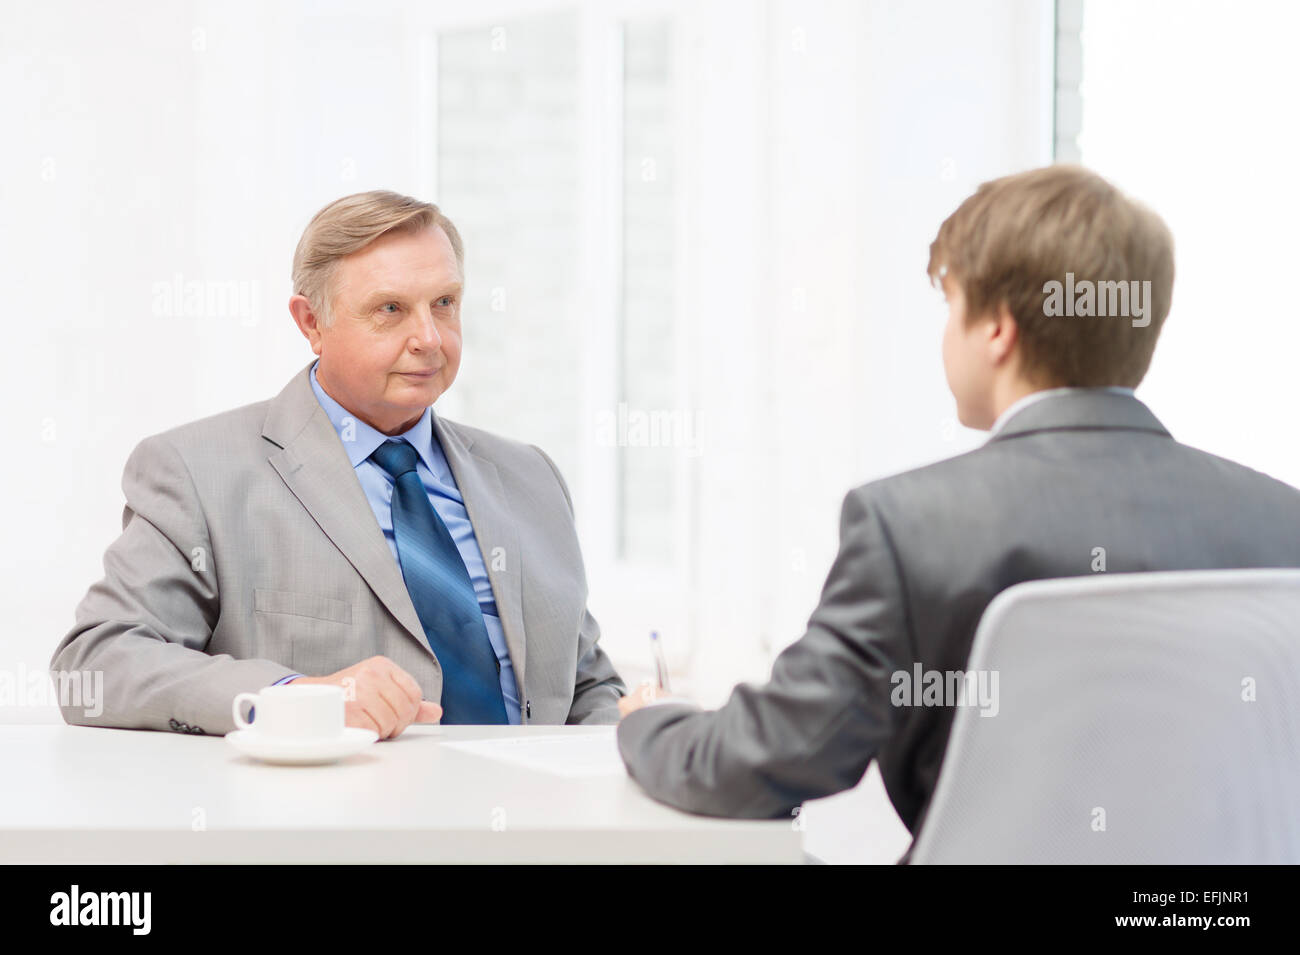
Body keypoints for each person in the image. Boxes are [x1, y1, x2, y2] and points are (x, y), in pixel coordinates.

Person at [615, 164, 1300, 856]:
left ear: (997, 329)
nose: (946, 334)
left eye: (951, 306)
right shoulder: (1282, 524)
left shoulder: (910, 528)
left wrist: (655, 722)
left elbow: (769, 758)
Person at [52, 190, 625, 737]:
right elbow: (97, 663)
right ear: (311, 323)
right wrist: (297, 698)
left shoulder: (530, 477)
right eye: (391, 309)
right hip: (339, 827)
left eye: (444, 303)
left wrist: (639, 733)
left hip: (535, 826)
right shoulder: (197, 472)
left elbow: (585, 687)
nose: (429, 337)